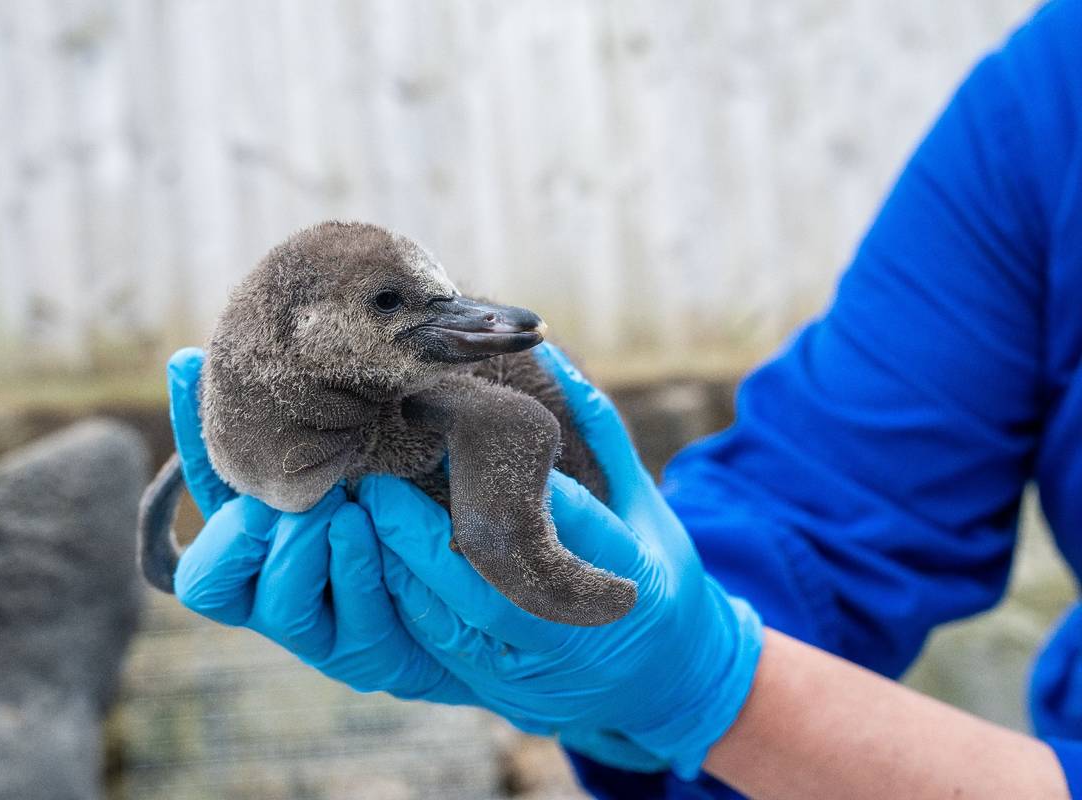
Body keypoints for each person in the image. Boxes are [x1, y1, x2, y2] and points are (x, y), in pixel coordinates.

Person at [161, 0, 1082, 796]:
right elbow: (830, 508)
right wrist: (640, 661)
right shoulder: (1053, 95)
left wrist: (708, 686)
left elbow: (512, 425)